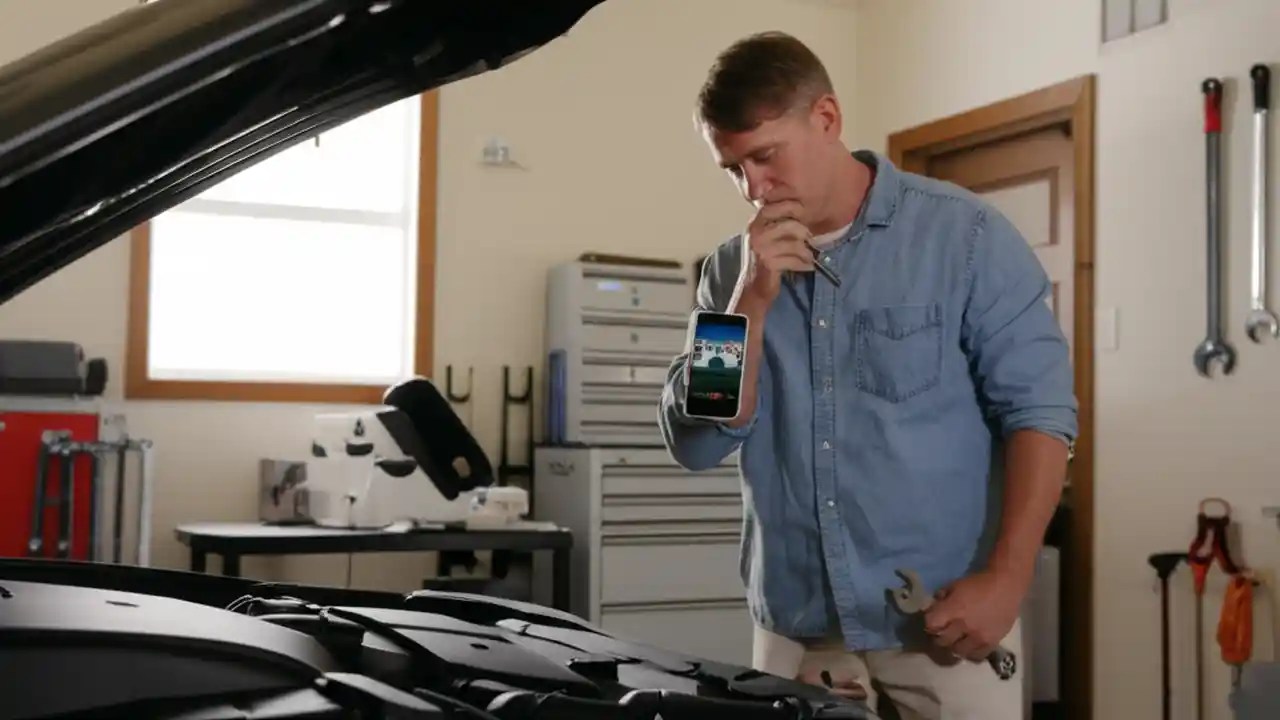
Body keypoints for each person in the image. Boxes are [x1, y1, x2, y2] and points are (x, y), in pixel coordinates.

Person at [658, 31, 1077, 720]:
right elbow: (698, 442)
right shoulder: (730, 272)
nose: (753, 188)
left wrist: (1009, 577)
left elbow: (1041, 414)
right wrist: (749, 304)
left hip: (944, 623)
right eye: (732, 169)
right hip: (797, 630)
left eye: (765, 157)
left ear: (826, 118)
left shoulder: (967, 239)